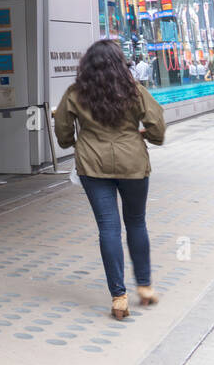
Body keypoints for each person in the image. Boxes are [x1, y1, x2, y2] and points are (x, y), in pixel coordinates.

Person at [54, 39, 165, 320]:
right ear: (120, 63)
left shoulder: (76, 93)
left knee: (108, 227)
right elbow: (157, 127)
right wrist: (146, 136)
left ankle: (118, 298)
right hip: (133, 164)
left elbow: (63, 128)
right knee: (136, 222)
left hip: (93, 165)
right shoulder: (134, 91)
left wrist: (71, 142)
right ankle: (145, 287)